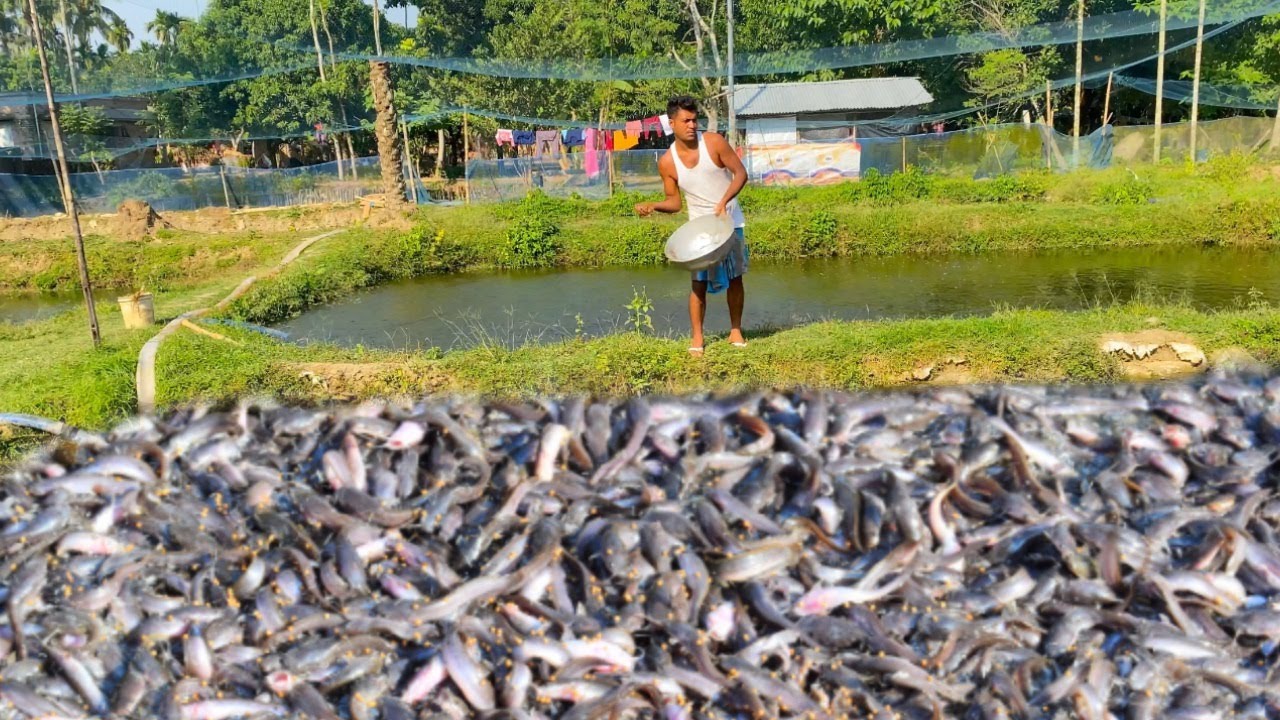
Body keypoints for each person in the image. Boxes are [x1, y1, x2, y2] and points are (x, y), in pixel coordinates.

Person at [634, 96, 749, 357]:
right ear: (671, 123)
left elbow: (741, 173)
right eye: (685, 120)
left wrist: (724, 201)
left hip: (730, 222)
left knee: (735, 278)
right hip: (700, 229)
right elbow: (674, 203)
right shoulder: (667, 162)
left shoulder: (713, 143)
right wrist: (653, 205)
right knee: (698, 285)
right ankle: (697, 338)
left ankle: (735, 330)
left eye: (694, 119)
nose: (691, 125)